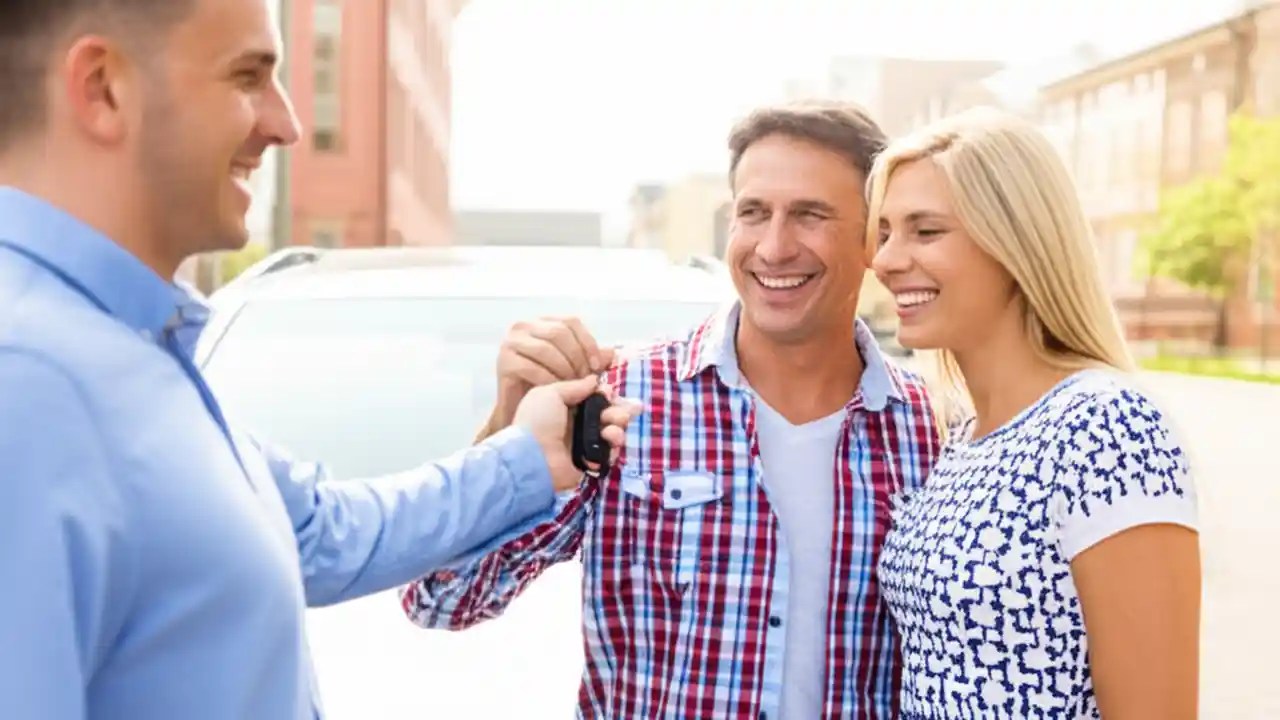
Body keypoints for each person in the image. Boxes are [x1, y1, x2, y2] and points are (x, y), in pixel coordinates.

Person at [0, 1, 639, 718]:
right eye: (247, 77)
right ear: (102, 86)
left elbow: (319, 533)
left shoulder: (126, 350)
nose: (286, 125)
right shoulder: (26, 381)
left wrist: (527, 454)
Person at [401, 101, 941, 719]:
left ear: (872, 237)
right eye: (753, 213)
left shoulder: (933, 431)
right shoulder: (615, 400)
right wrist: (505, 435)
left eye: (810, 215)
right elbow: (440, 598)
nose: (773, 246)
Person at [869, 107, 1200, 719]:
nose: (886, 259)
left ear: (1015, 242)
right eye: (886, 231)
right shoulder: (963, 439)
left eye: (926, 230)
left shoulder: (1106, 428)